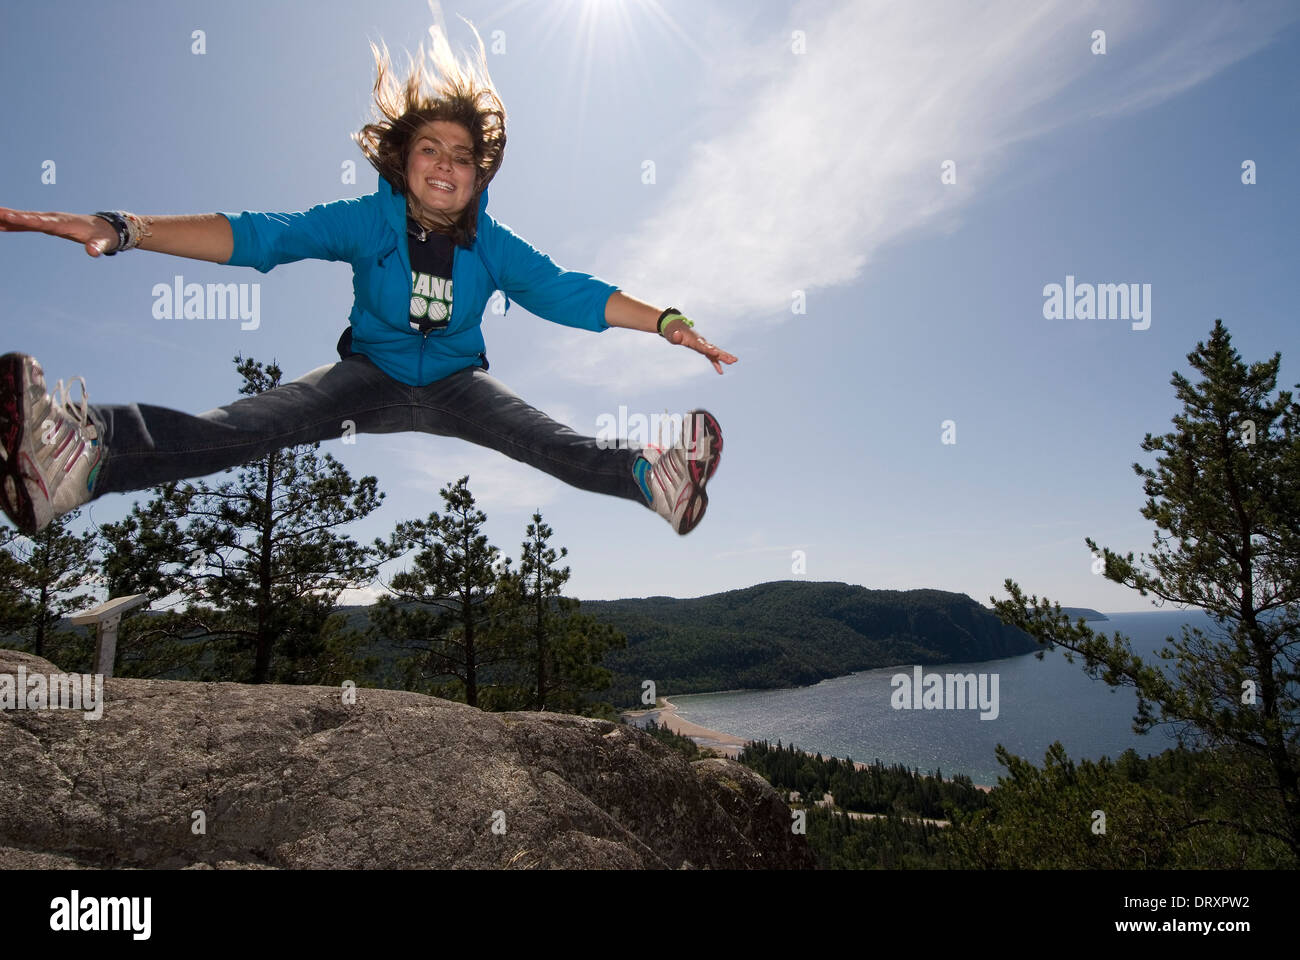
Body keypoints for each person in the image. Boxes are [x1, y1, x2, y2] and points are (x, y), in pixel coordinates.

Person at [0, 23, 735, 541]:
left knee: (545, 439)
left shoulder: (496, 246)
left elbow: (570, 292)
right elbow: (262, 236)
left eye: (462, 157)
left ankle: (654, 481)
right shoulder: (364, 221)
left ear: (480, 177)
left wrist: (666, 320)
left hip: (456, 384)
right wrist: (127, 226)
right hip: (369, 376)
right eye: (429, 150)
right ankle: (75, 460)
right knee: (248, 426)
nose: (446, 165)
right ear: (402, 162)